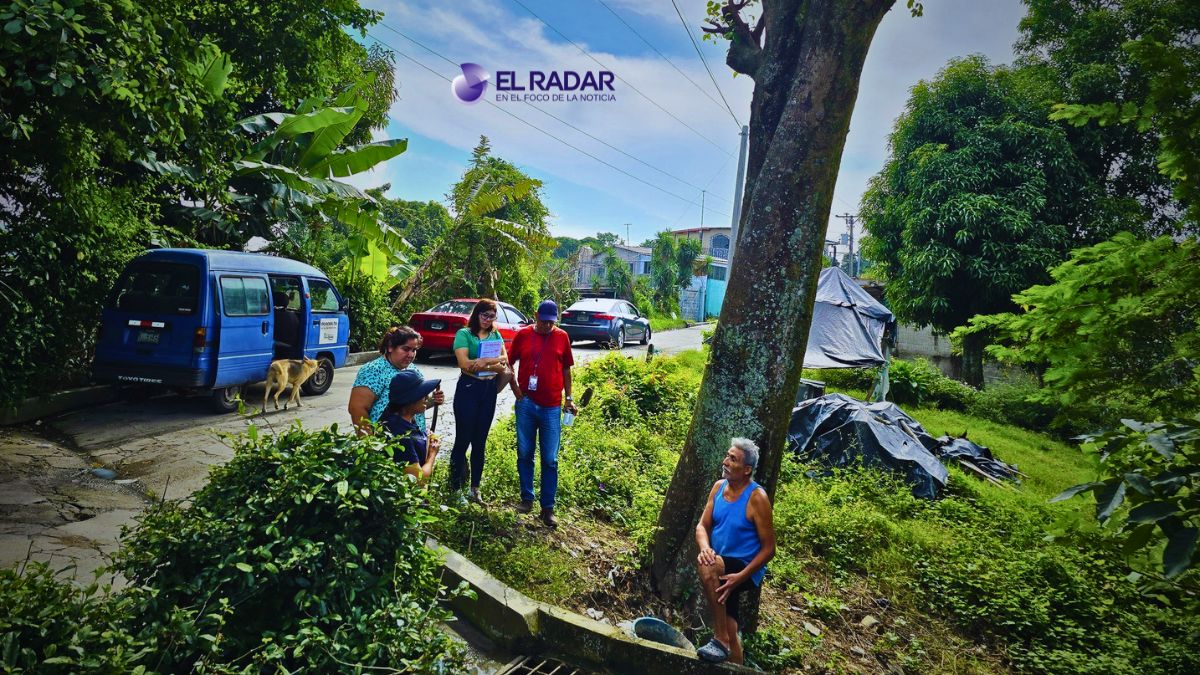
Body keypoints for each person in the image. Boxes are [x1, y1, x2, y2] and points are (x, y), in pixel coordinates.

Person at [694, 438, 777, 665]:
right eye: (727, 456)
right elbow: (702, 526)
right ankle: (733, 659)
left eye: (733, 459)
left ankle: (719, 640)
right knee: (732, 628)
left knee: (709, 566)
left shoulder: (756, 498)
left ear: (747, 469)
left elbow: (770, 548)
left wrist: (740, 577)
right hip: (720, 561)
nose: (725, 462)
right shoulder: (718, 488)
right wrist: (705, 548)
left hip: (746, 568)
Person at [507, 299, 576, 528]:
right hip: (526, 403)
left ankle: (548, 508)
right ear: (535, 315)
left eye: (551, 322)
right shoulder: (523, 335)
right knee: (525, 452)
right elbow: (508, 363)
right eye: (544, 321)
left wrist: (569, 398)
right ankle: (527, 499)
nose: (547, 326)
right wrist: (515, 388)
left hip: (552, 407)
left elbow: (566, 368)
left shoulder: (562, 337)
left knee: (550, 458)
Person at [450, 299, 510, 504]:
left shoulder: (495, 334)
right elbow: (465, 364)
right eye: (484, 315)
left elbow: (505, 360)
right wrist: (493, 364)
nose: (487, 320)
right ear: (476, 314)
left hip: (488, 390)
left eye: (491, 316)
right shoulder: (464, 334)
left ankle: (474, 488)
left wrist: (485, 362)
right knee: (463, 439)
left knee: (480, 440)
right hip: (468, 388)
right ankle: (455, 488)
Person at [349, 326, 444, 435]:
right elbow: (357, 408)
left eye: (414, 350)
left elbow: (408, 406)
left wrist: (432, 401)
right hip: (387, 444)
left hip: (412, 440)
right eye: (406, 349)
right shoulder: (373, 370)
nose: (411, 355)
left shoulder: (412, 368)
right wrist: (369, 445)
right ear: (390, 347)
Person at [381, 370, 442, 482]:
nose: (427, 398)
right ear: (410, 400)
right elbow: (418, 480)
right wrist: (432, 455)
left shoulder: (402, 419)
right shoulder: (401, 436)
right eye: (422, 394)